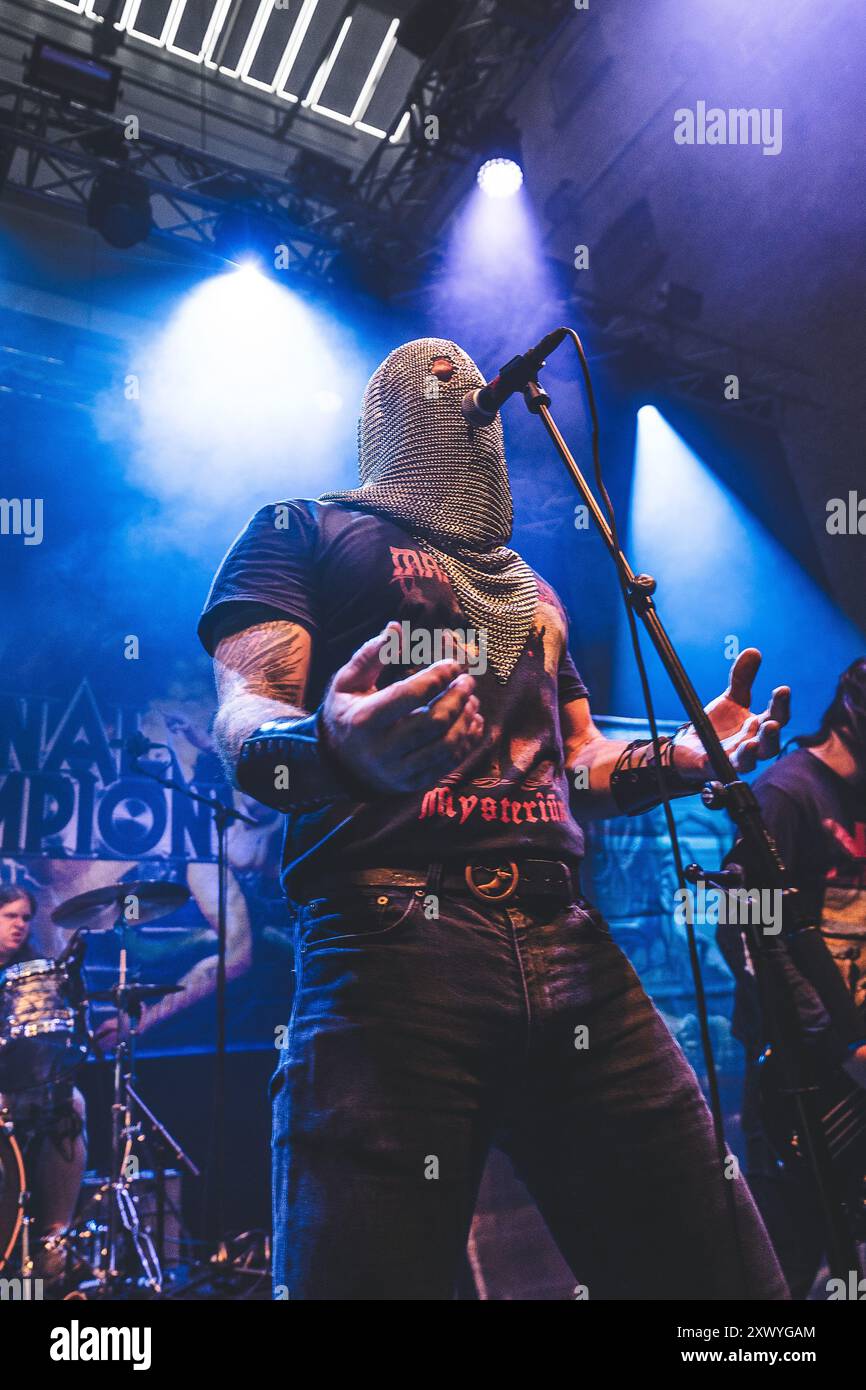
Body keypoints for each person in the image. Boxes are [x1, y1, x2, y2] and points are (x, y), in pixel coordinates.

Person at [198, 337, 791, 1300]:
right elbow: (243, 715)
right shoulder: (300, 527)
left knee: (721, 1282)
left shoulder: (532, 588)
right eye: (429, 375)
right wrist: (336, 746)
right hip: (391, 941)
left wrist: (681, 757)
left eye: (467, 375)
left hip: (567, 938)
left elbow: (581, 762)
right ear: (384, 416)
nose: (457, 378)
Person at [718, 658, 866, 1298]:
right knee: (786, 1253)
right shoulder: (788, 791)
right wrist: (843, 1044)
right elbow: (742, 924)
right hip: (804, 1073)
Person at [0, 885, 87, 1287]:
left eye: (24, 917)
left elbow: (47, 1038)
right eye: (9, 916)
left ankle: (54, 1241)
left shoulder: (34, 969)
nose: (19, 925)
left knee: (74, 1103)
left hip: (20, 1083)